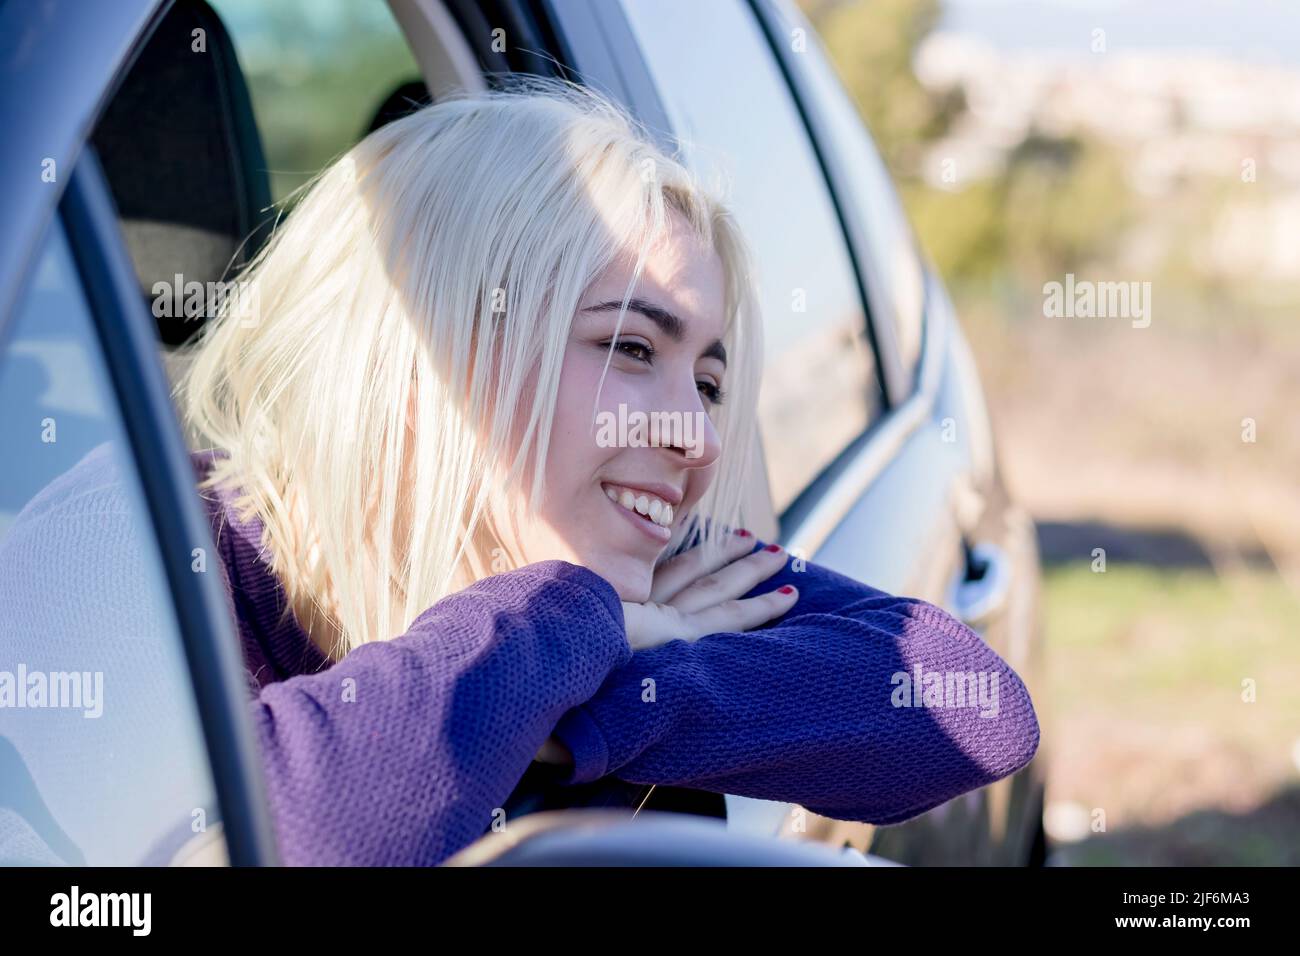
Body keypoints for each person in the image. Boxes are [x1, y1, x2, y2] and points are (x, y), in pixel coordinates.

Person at [6, 79, 1040, 866]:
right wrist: (574, 623)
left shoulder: (655, 557)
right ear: (432, 351)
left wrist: (594, 693)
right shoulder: (123, 537)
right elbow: (303, 831)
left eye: (712, 379)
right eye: (631, 348)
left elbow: (974, 708)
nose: (698, 436)